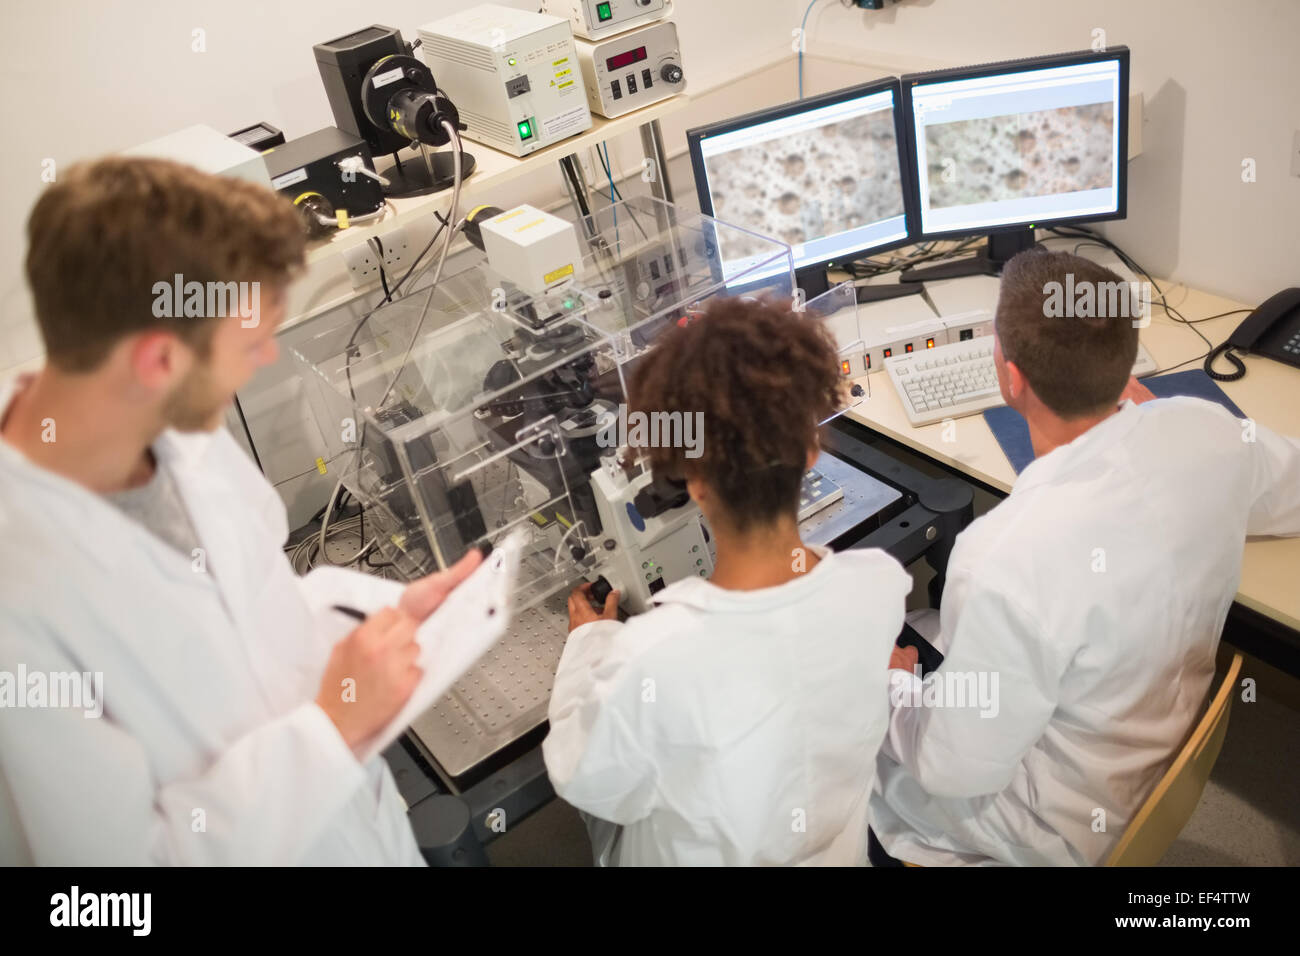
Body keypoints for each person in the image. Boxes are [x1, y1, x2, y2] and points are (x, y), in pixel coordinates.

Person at [0, 157, 482, 864]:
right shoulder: (22, 598)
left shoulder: (177, 434)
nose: (266, 357)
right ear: (158, 360)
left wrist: (374, 612)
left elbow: (255, 604)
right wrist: (330, 727)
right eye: (252, 340)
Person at [870, 249, 1300, 866]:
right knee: (940, 631)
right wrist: (1168, 422)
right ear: (1125, 362)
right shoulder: (1209, 432)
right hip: (1148, 758)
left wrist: (894, 685)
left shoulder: (999, 558)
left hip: (1045, 832)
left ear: (1011, 378)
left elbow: (950, 769)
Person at [542, 296, 911, 866]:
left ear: (692, 482)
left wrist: (590, 643)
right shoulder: (878, 587)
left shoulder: (651, 657)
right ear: (811, 450)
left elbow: (580, 775)